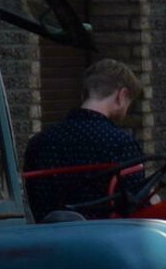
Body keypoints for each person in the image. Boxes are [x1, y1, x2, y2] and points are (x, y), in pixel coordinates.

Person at [22, 58, 146, 219]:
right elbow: (136, 204)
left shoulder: (39, 143)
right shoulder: (121, 143)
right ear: (121, 96)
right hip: (105, 232)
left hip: (49, 232)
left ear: (84, 94)